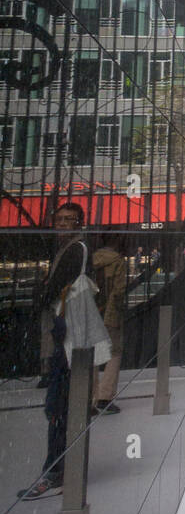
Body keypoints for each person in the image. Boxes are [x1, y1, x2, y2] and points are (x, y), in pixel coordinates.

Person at [22, 201, 88, 499]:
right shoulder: (68, 250)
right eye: (59, 219)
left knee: (58, 404)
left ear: (78, 223)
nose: (62, 225)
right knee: (61, 403)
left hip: (68, 333)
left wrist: (45, 291)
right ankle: (62, 464)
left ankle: (57, 468)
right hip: (69, 333)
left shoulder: (76, 250)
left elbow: (59, 288)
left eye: (68, 220)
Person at [92, 232, 128, 415]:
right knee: (114, 352)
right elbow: (119, 291)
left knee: (93, 356)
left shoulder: (92, 259)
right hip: (109, 313)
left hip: (92, 313)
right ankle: (105, 395)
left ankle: (89, 397)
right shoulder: (118, 261)